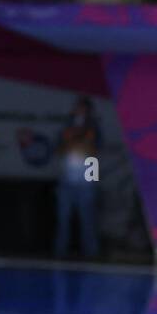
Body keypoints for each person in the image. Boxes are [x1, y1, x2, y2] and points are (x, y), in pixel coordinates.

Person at [54, 96, 100, 260]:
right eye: (76, 107)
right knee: (63, 218)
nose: (77, 110)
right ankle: (60, 252)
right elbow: (59, 149)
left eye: (81, 108)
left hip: (87, 177)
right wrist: (72, 142)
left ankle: (91, 253)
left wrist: (93, 180)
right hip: (67, 177)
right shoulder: (66, 127)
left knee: (88, 217)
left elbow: (94, 151)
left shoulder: (94, 127)